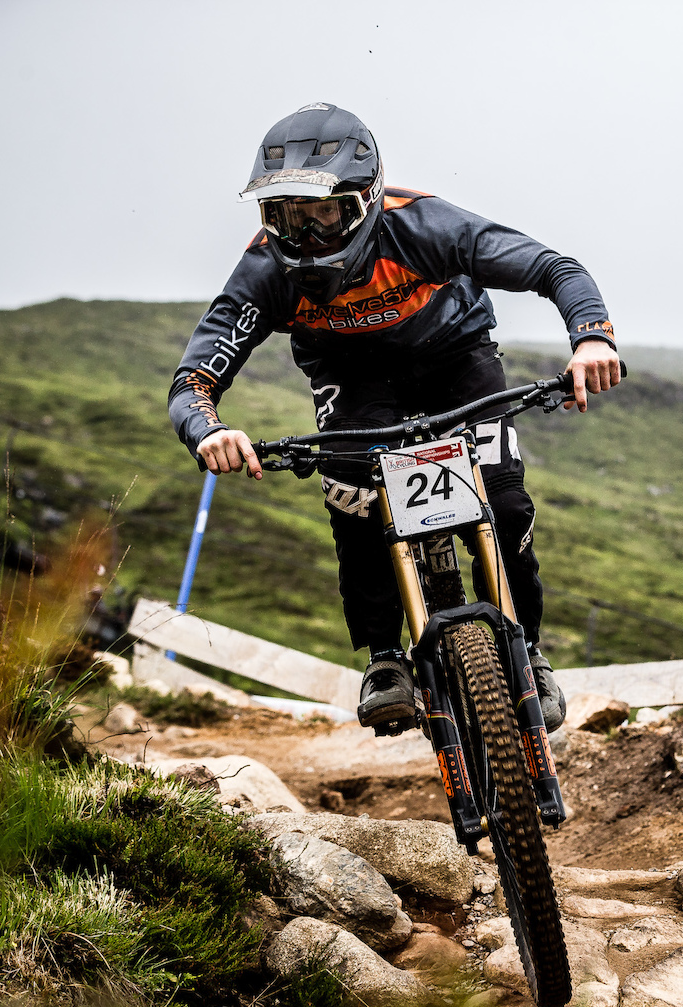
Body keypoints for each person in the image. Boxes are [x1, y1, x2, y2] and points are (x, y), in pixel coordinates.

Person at [168, 102, 619, 734]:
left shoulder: (425, 227)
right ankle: (384, 657)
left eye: (325, 213)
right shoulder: (267, 270)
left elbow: (552, 267)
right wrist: (210, 429)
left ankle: (529, 649)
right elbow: (192, 382)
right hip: (352, 381)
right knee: (351, 498)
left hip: (455, 359)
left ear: (367, 198)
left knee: (507, 504)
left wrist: (591, 336)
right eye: (287, 217)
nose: (309, 237)